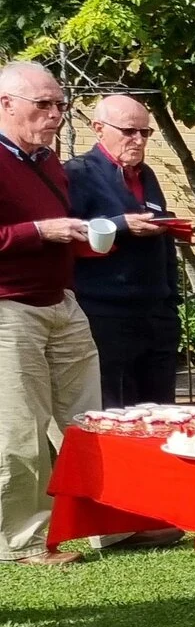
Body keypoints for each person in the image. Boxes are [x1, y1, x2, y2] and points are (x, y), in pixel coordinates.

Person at [0, 61, 104, 567]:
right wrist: (40, 232)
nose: (56, 114)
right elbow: (28, 232)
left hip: (61, 300)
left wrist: (78, 239)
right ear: (6, 105)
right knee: (18, 430)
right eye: (43, 104)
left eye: (60, 104)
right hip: (8, 308)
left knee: (87, 422)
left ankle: (108, 523)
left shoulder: (46, 160)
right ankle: (24, 539)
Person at [67, 94, 181, 409]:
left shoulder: (147, 175)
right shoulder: (79, 173)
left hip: (156, 313)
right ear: (98, 128)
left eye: (145, 133)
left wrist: (172, 301)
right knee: (116, 413)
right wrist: (121, 224)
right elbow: (66, 231)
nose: (139, 140)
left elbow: (164, 239)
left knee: (161, 414)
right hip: (106, 313)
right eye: (129, 131)